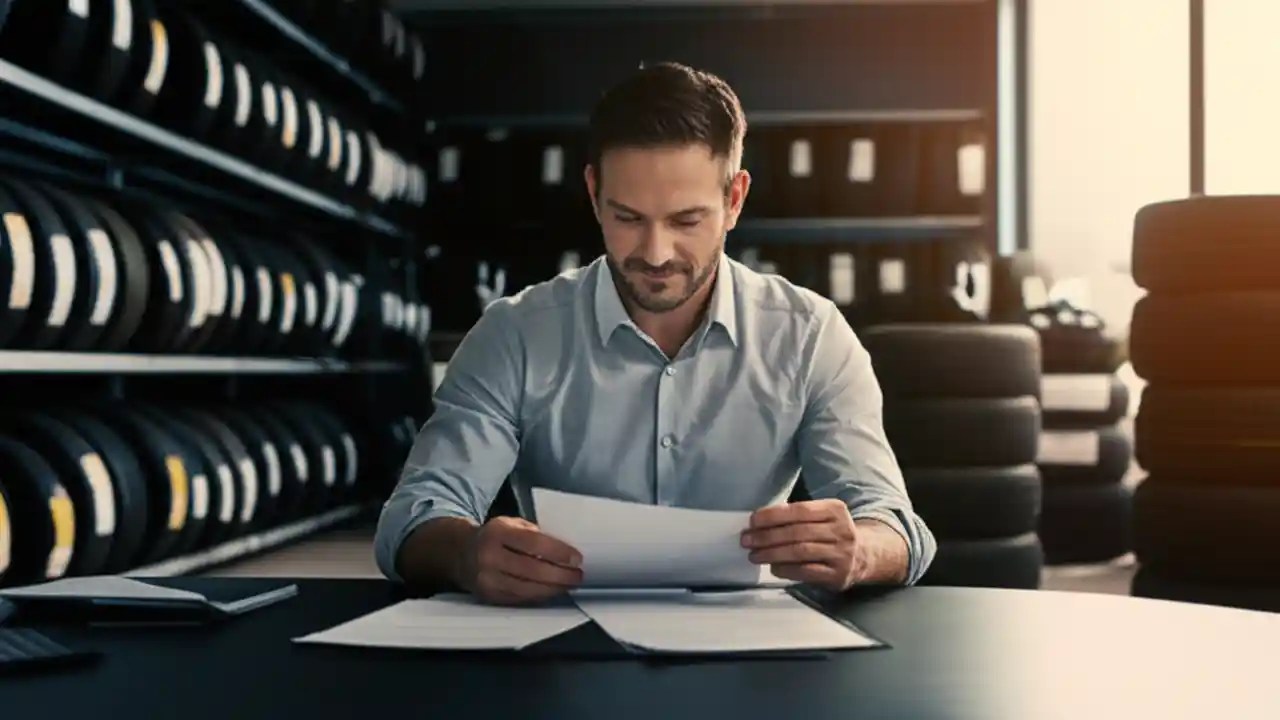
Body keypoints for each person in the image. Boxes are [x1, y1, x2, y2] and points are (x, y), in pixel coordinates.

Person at [376, 62, 936, 605]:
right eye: (628, 218)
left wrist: (858, 550)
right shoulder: (514, 334)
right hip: (560, 660)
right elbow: (413, 517)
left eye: (686, 221)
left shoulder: (810, 336)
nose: (655, 253)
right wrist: (466, 554)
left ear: (734, 200)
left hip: (749, 654)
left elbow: (895, 525)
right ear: (594, 194)